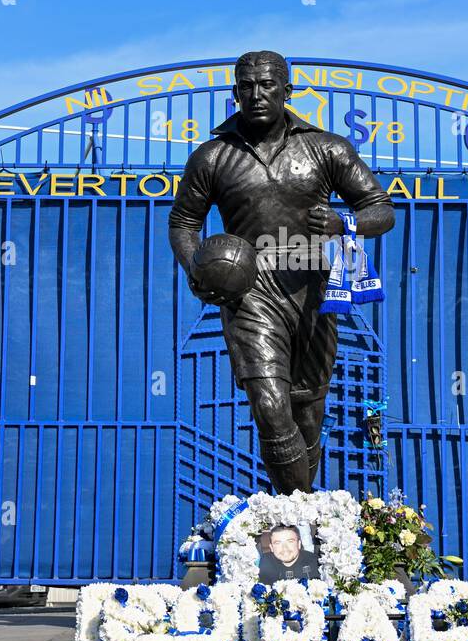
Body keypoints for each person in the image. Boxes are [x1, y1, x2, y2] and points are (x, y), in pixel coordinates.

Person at [167, 50, 395, 494]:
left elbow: (381, 209)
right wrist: (197, 269)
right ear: (235, 93)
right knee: (269, 404)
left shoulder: (326, 148)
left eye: (267, 84)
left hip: (312, 284)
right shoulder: (212, 156)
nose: (256, 94)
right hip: (249, 289)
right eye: (246, 86)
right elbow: (183, 223)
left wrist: (343, 223)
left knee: (306, 405)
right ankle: (296, 522)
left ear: (286, 91)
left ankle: (299, 518)